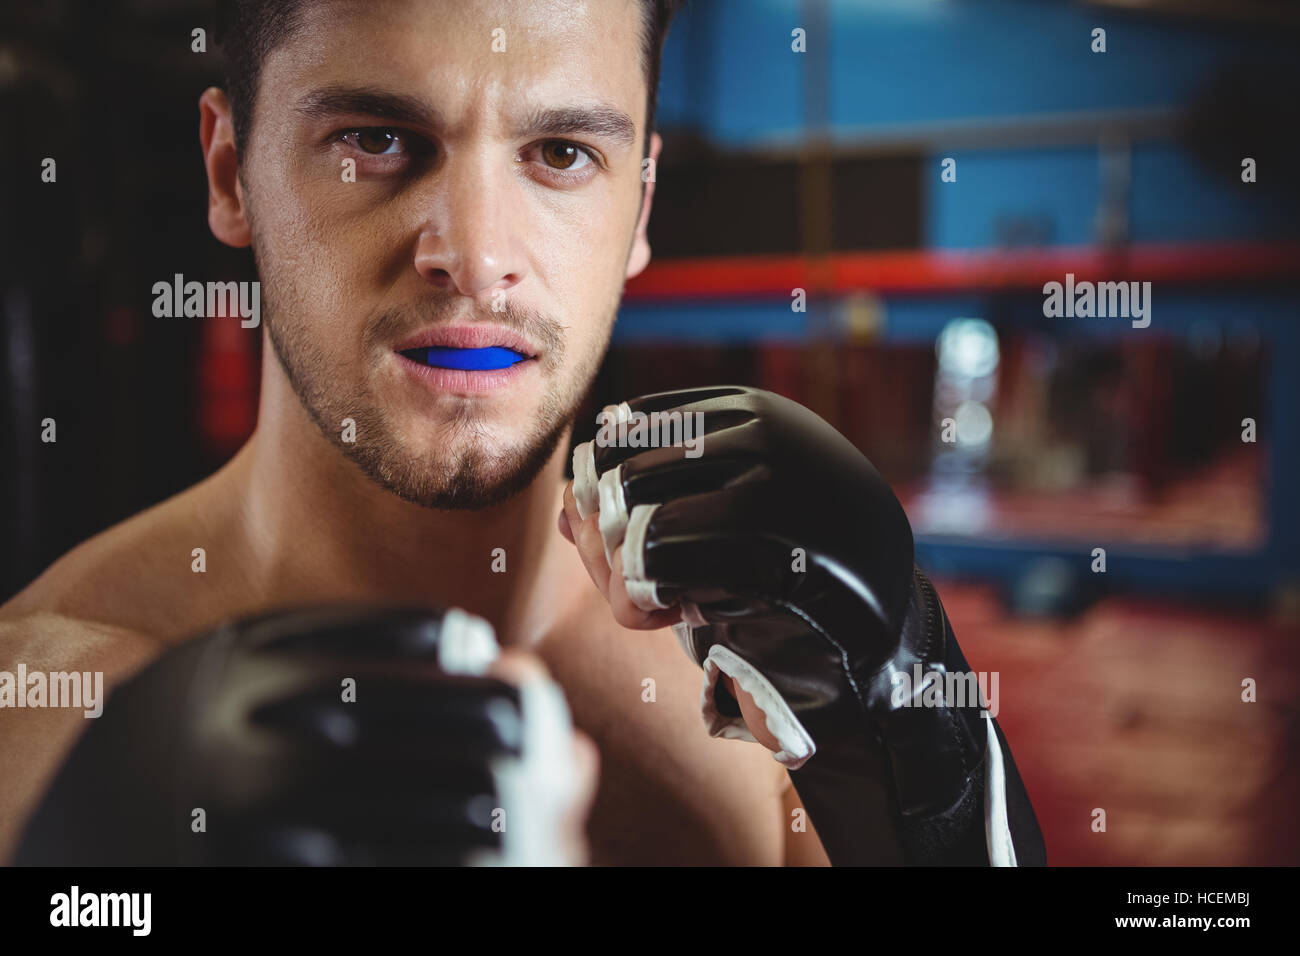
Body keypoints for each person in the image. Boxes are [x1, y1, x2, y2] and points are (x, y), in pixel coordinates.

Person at [0, 0, 1044, 866]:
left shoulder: (767, 704)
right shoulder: (43, 722)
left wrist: (924, 748)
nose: (476, 252)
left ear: (638, 205)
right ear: (230, 172)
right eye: (375, 139)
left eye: (558, 151)